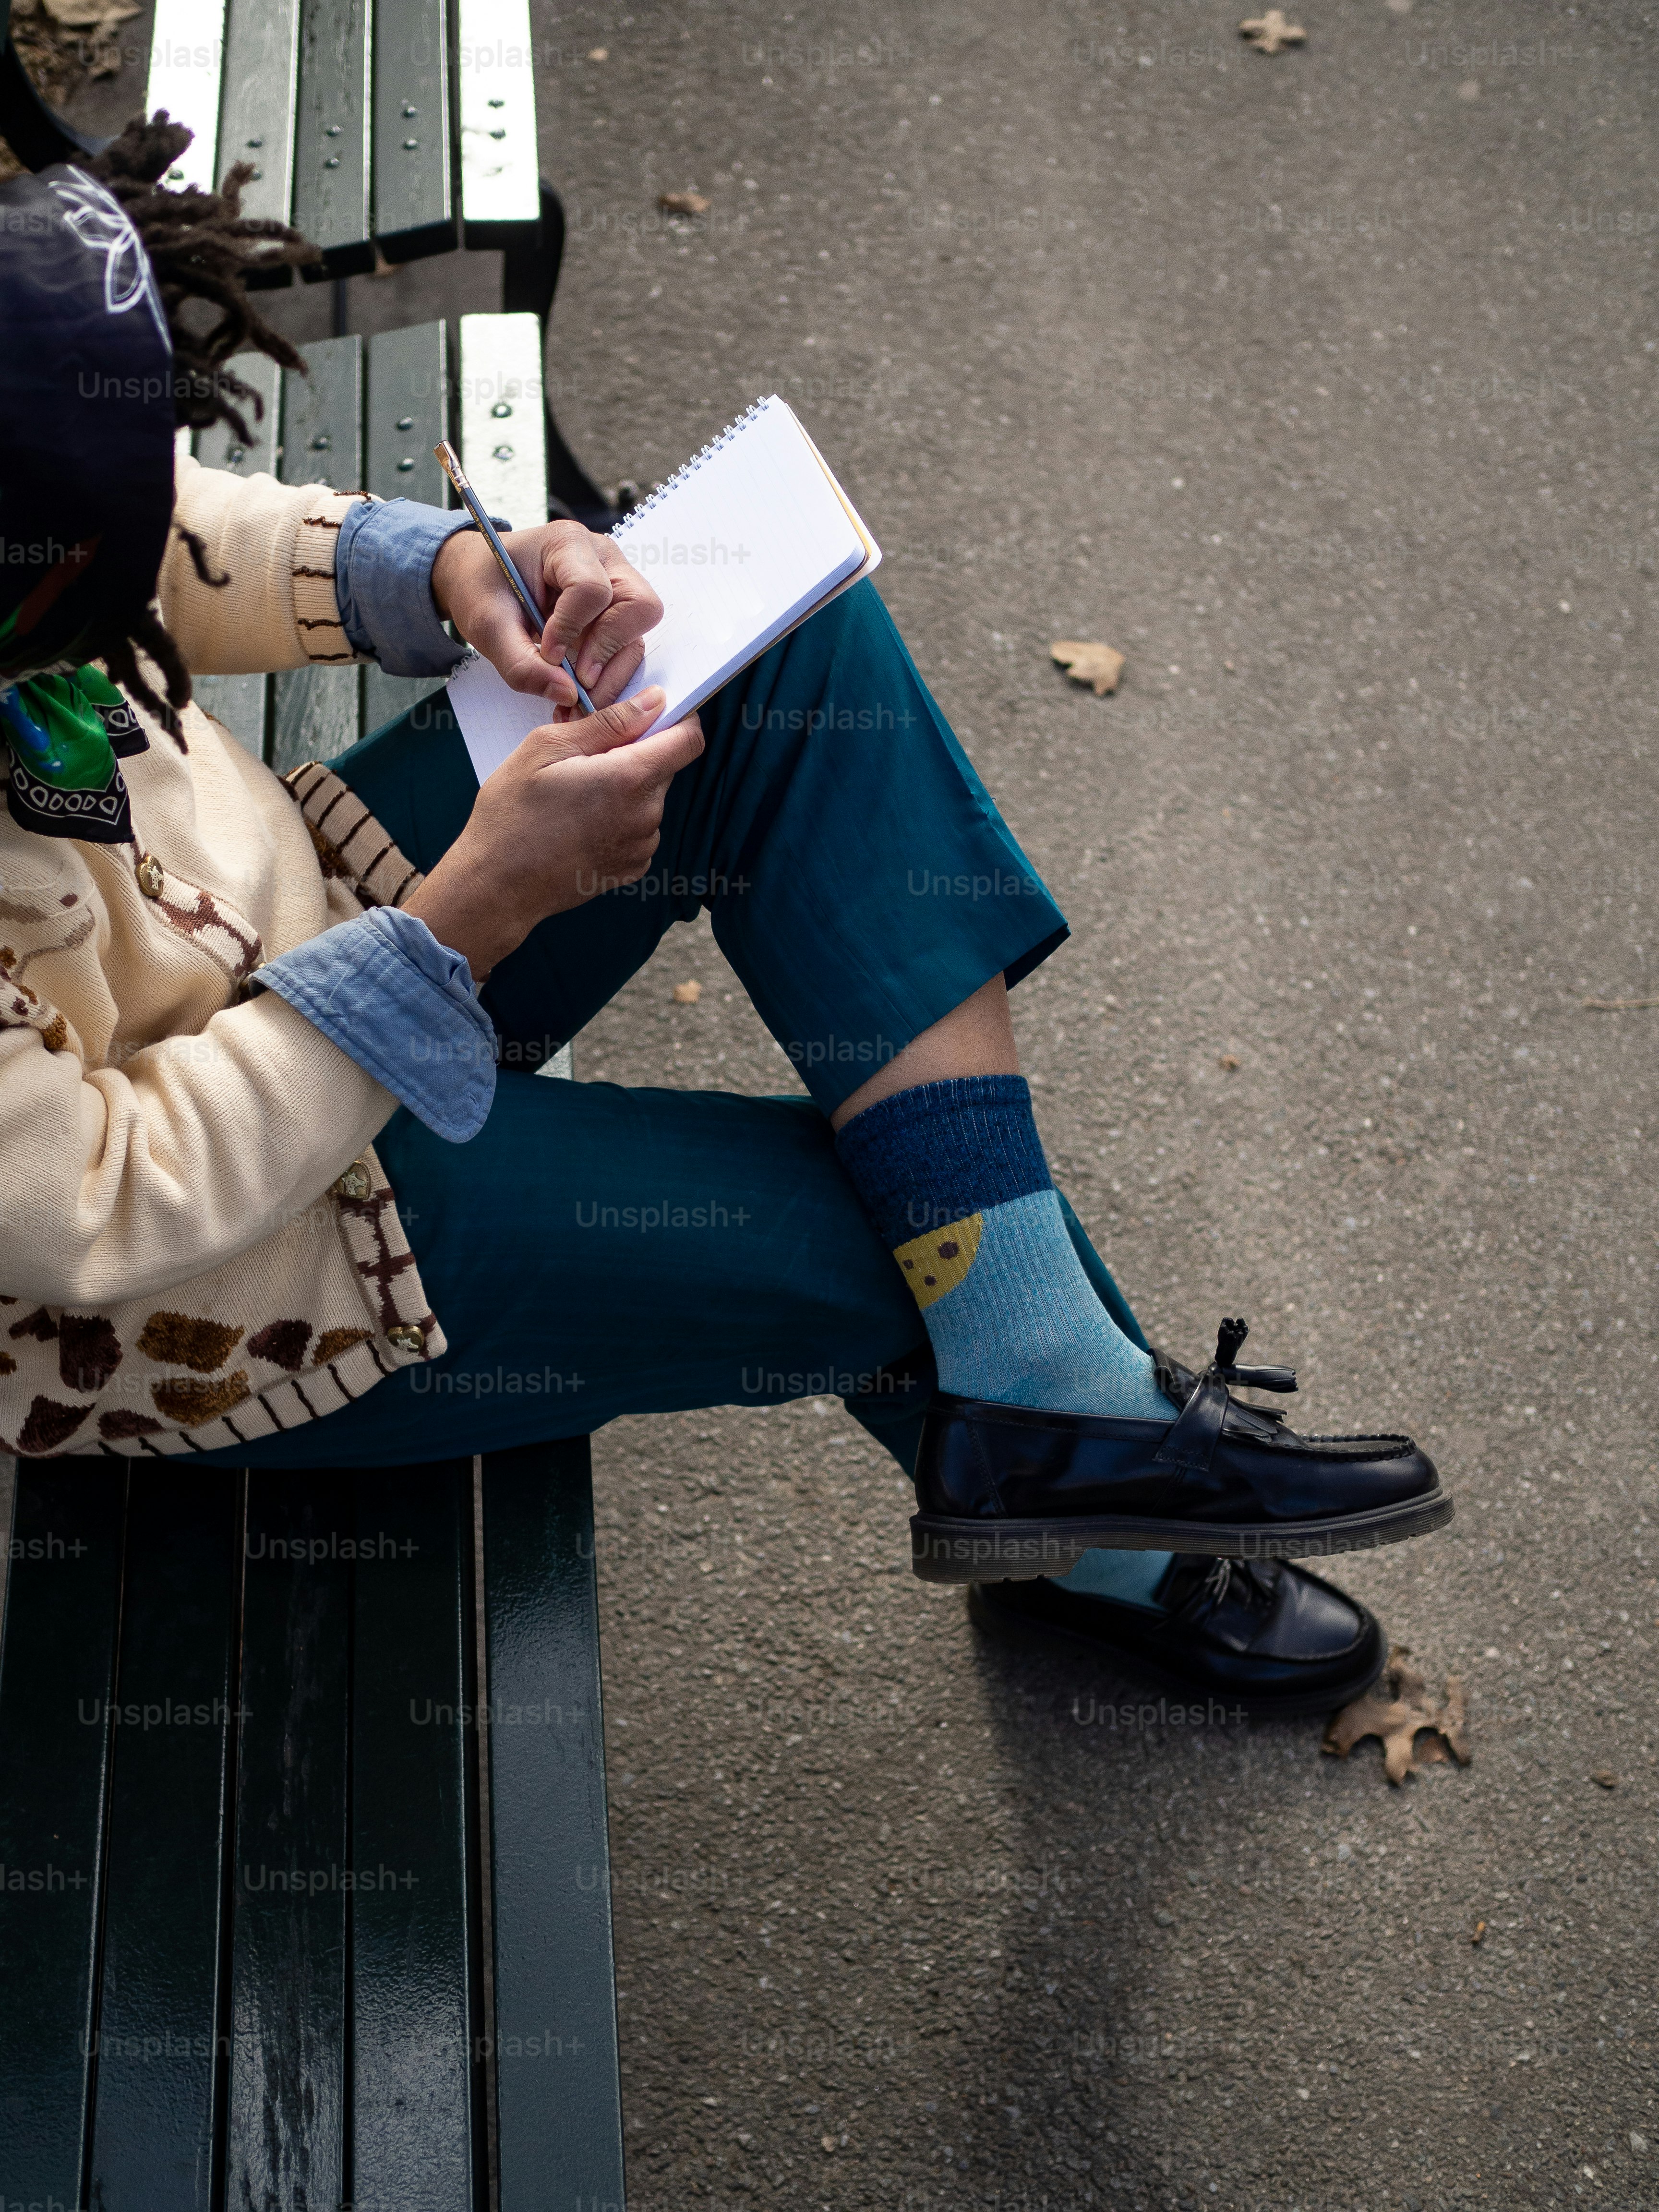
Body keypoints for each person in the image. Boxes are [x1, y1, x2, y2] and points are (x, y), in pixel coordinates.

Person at [0, 117, 1450, 1718]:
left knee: (771, 644)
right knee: (903, 1249)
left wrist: (457, 573)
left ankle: (1053, 1413)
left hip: (309, 929)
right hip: (221, 1281)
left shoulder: (48, 530)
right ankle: (1075, 1494)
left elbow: (154, 522)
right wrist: (466, 921)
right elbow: (96, 1204)